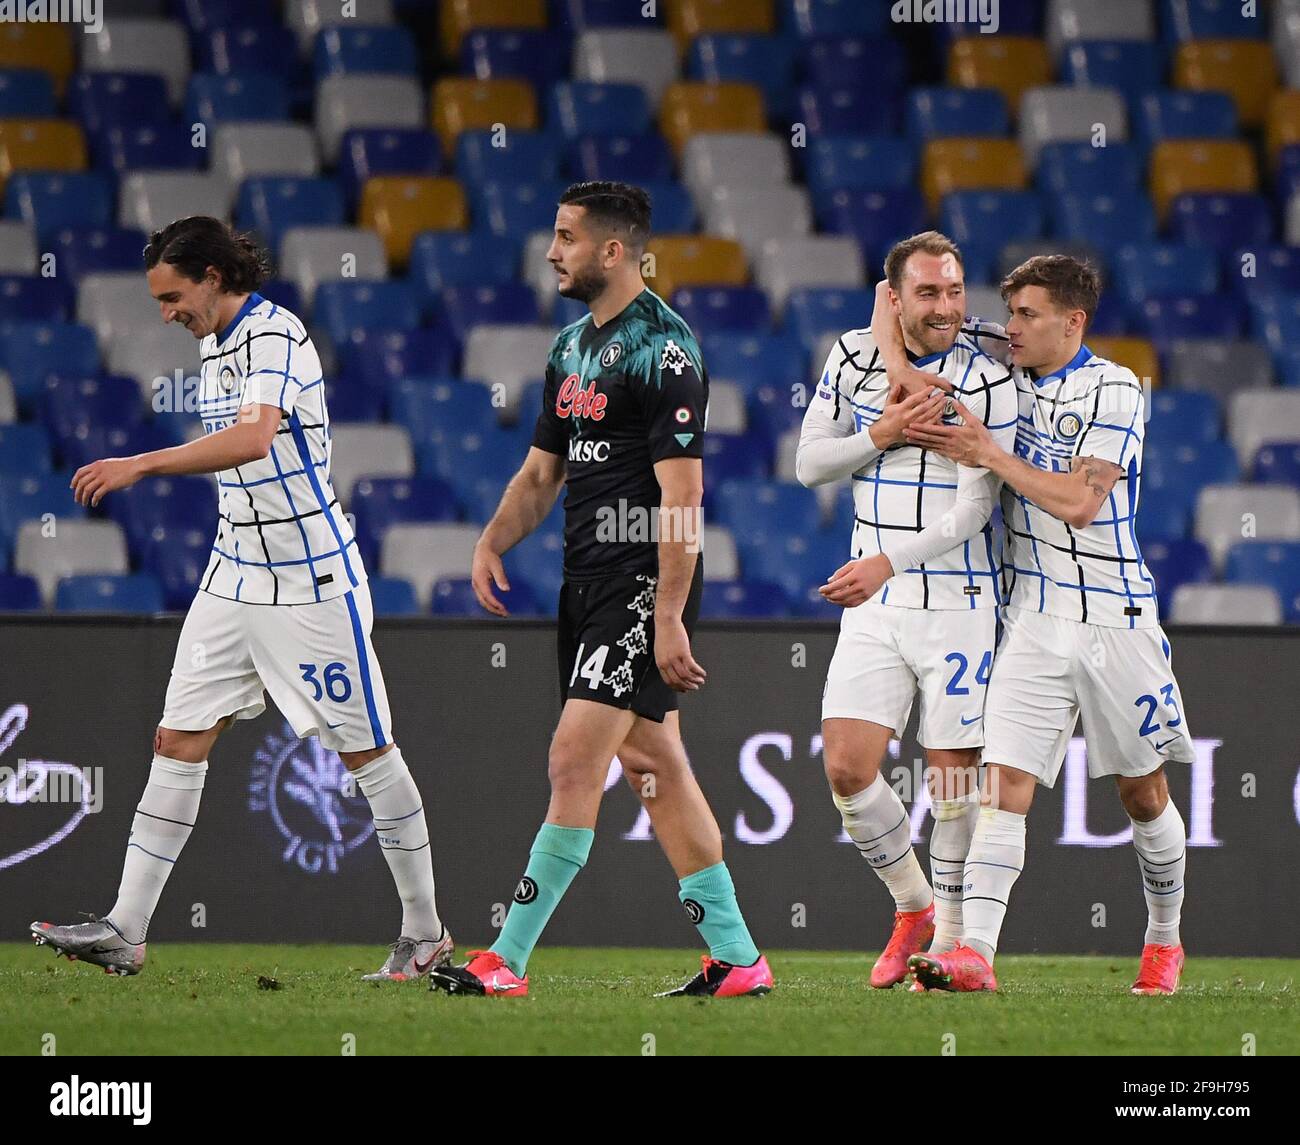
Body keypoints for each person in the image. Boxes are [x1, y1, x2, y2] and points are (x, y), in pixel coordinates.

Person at [30, 216, 451, 983]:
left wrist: (141, 464)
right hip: (232, 574)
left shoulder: (275, 334)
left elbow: (255, 438)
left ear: (214, 277)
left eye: (173, 296)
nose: (167, 313)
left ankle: (423, 933)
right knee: (177, 738)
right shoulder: (213, 345)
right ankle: (127, 928)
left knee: (365, 753)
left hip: (310, 579)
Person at [431, 182, 772, 998]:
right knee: (656, 765)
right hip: (585, 583)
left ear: (613, 250)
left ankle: (505, 959)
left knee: (572, 759)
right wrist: (491, 538)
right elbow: (543, 472)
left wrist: (665, 616)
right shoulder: (570, 349)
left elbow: (683, 501)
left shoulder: (668, 350)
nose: (552, 251)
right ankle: (737, 958)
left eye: (566, 237)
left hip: (640, 579)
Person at [903, 255, 1193, 994]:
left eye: (1029, 314)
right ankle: (974, 954)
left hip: (1114, 618)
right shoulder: (1000, 376)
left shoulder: (1117, 388)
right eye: (1010, 312)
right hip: (1031, 616)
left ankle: (1164, 939)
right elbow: (895, 311)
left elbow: (1081, 502)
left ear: (1074, 322)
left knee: (1142, 793)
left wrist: (989, 453)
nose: (1013, 327)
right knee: (1003, 786)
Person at [796, 231, 1016, 988]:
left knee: (951, 777)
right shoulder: (852, 357)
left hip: (954, 598)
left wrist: (886, 561)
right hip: (875, 600)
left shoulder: (986, 378)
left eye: (954, 291)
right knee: (847, 765)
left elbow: (971, 512)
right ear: (894, 298)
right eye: (928, 293)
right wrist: (879, 433)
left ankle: (951, 947)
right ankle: (914, 905)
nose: (946, 306)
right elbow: (807, 463)